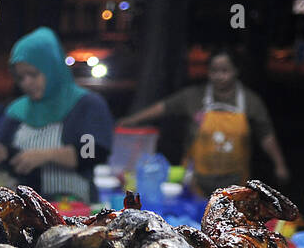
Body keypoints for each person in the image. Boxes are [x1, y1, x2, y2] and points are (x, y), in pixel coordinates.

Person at [117, 48, 291, 197]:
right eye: (214, 71)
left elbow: (266, 134)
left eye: (225, 71)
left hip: (235, 182)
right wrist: (131, 120)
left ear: (236, 71)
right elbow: (163, 107)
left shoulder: (250, 101)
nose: (219, 76)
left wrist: (279, 165)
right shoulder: (194, 96)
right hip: (196, 181)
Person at [0, 27, 114, 203]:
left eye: (33, 74)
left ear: (52, 68)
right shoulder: (17, 110)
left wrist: (46, 156)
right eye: (21, 77)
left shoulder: (86, 105)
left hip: (74, 209)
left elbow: (90, 153)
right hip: (27, 210)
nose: (27, 83)